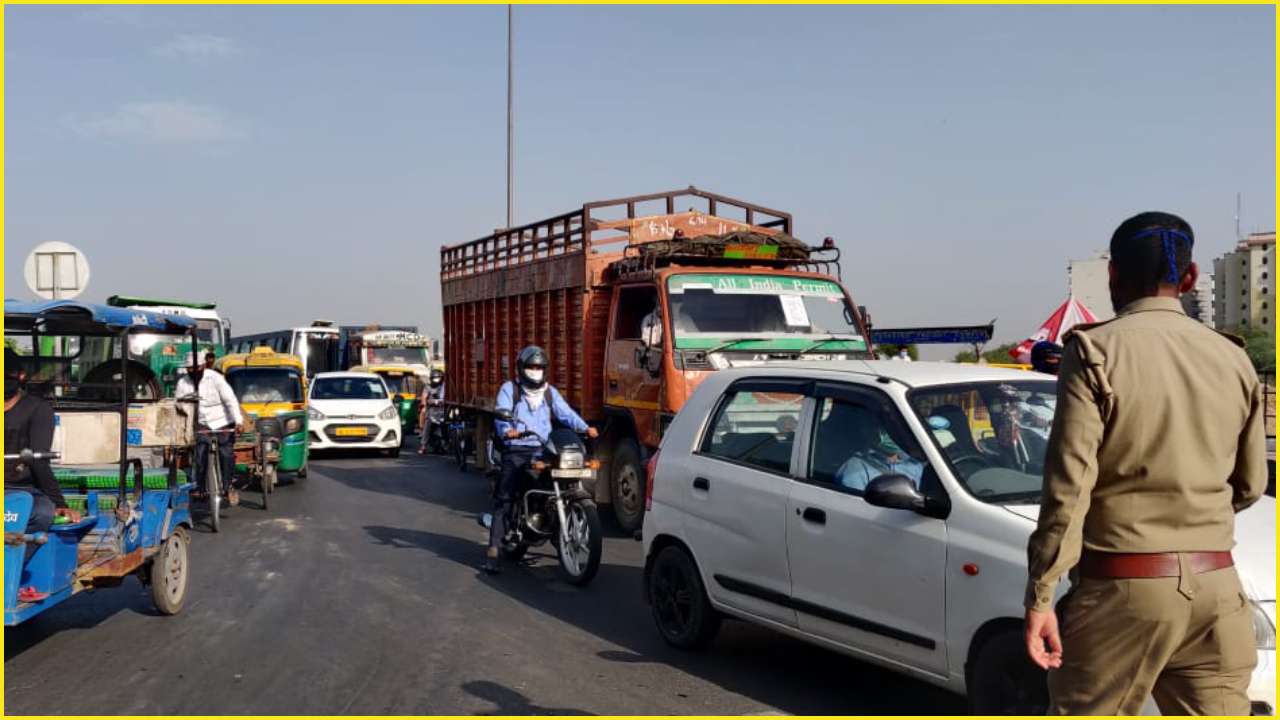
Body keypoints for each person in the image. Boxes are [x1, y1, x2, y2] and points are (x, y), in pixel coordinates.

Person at [1024, 212, 1267, 715]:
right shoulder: (1233, 358)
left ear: (1113, 275)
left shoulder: (1094, 351)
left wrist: (1041, 596)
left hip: (1123, 587)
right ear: (1191, 277)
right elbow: (1249, 484)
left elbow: (1069, 491)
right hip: (1219, 591)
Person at [483, 345, 597, 574]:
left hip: (545, 448)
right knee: (504, 499)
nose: (535, 371)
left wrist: (585, 428)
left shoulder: (548, 392)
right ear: (522, 368)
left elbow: (565, 413)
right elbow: (501, 413)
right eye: (531, 367)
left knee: (563, 480)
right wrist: (508, 430)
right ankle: (493, 551)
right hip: (517, 448)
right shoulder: (510, 389)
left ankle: (553, 522)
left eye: (539, 367)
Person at [4, 356, 81, 577]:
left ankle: (11, 569)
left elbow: (39, 461)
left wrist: (59, 503)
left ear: (20, 376)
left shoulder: (38, 409)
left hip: (23, 490)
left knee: (43, 514)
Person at [176, 352, 244, 507]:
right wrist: (187, 408)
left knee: (226, 452)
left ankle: (227, 487)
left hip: (222, 421)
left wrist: (238, 421)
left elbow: (230, 400)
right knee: (199, 454)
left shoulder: (215, 378)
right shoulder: (183, 384)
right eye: (190, 369)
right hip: (200, 423)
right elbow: (179, 403)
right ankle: (200, 487)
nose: (193, 372)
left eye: (196, 368)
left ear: (203, 366)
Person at [834, 404, 925, 492]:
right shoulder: (856, 469)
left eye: (892, 427)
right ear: (865, 431)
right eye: (877, 426)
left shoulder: (915, 462)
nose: (888, 433)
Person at [418, 368, 446, 455]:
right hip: (432, 410)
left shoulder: (444, 386)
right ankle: (423, 445)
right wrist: (424, 403)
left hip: (444, 410)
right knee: (427, 422)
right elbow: (424, 397)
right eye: (434, 378)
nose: (436, 379)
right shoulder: (428, 387)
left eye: (438, 377)